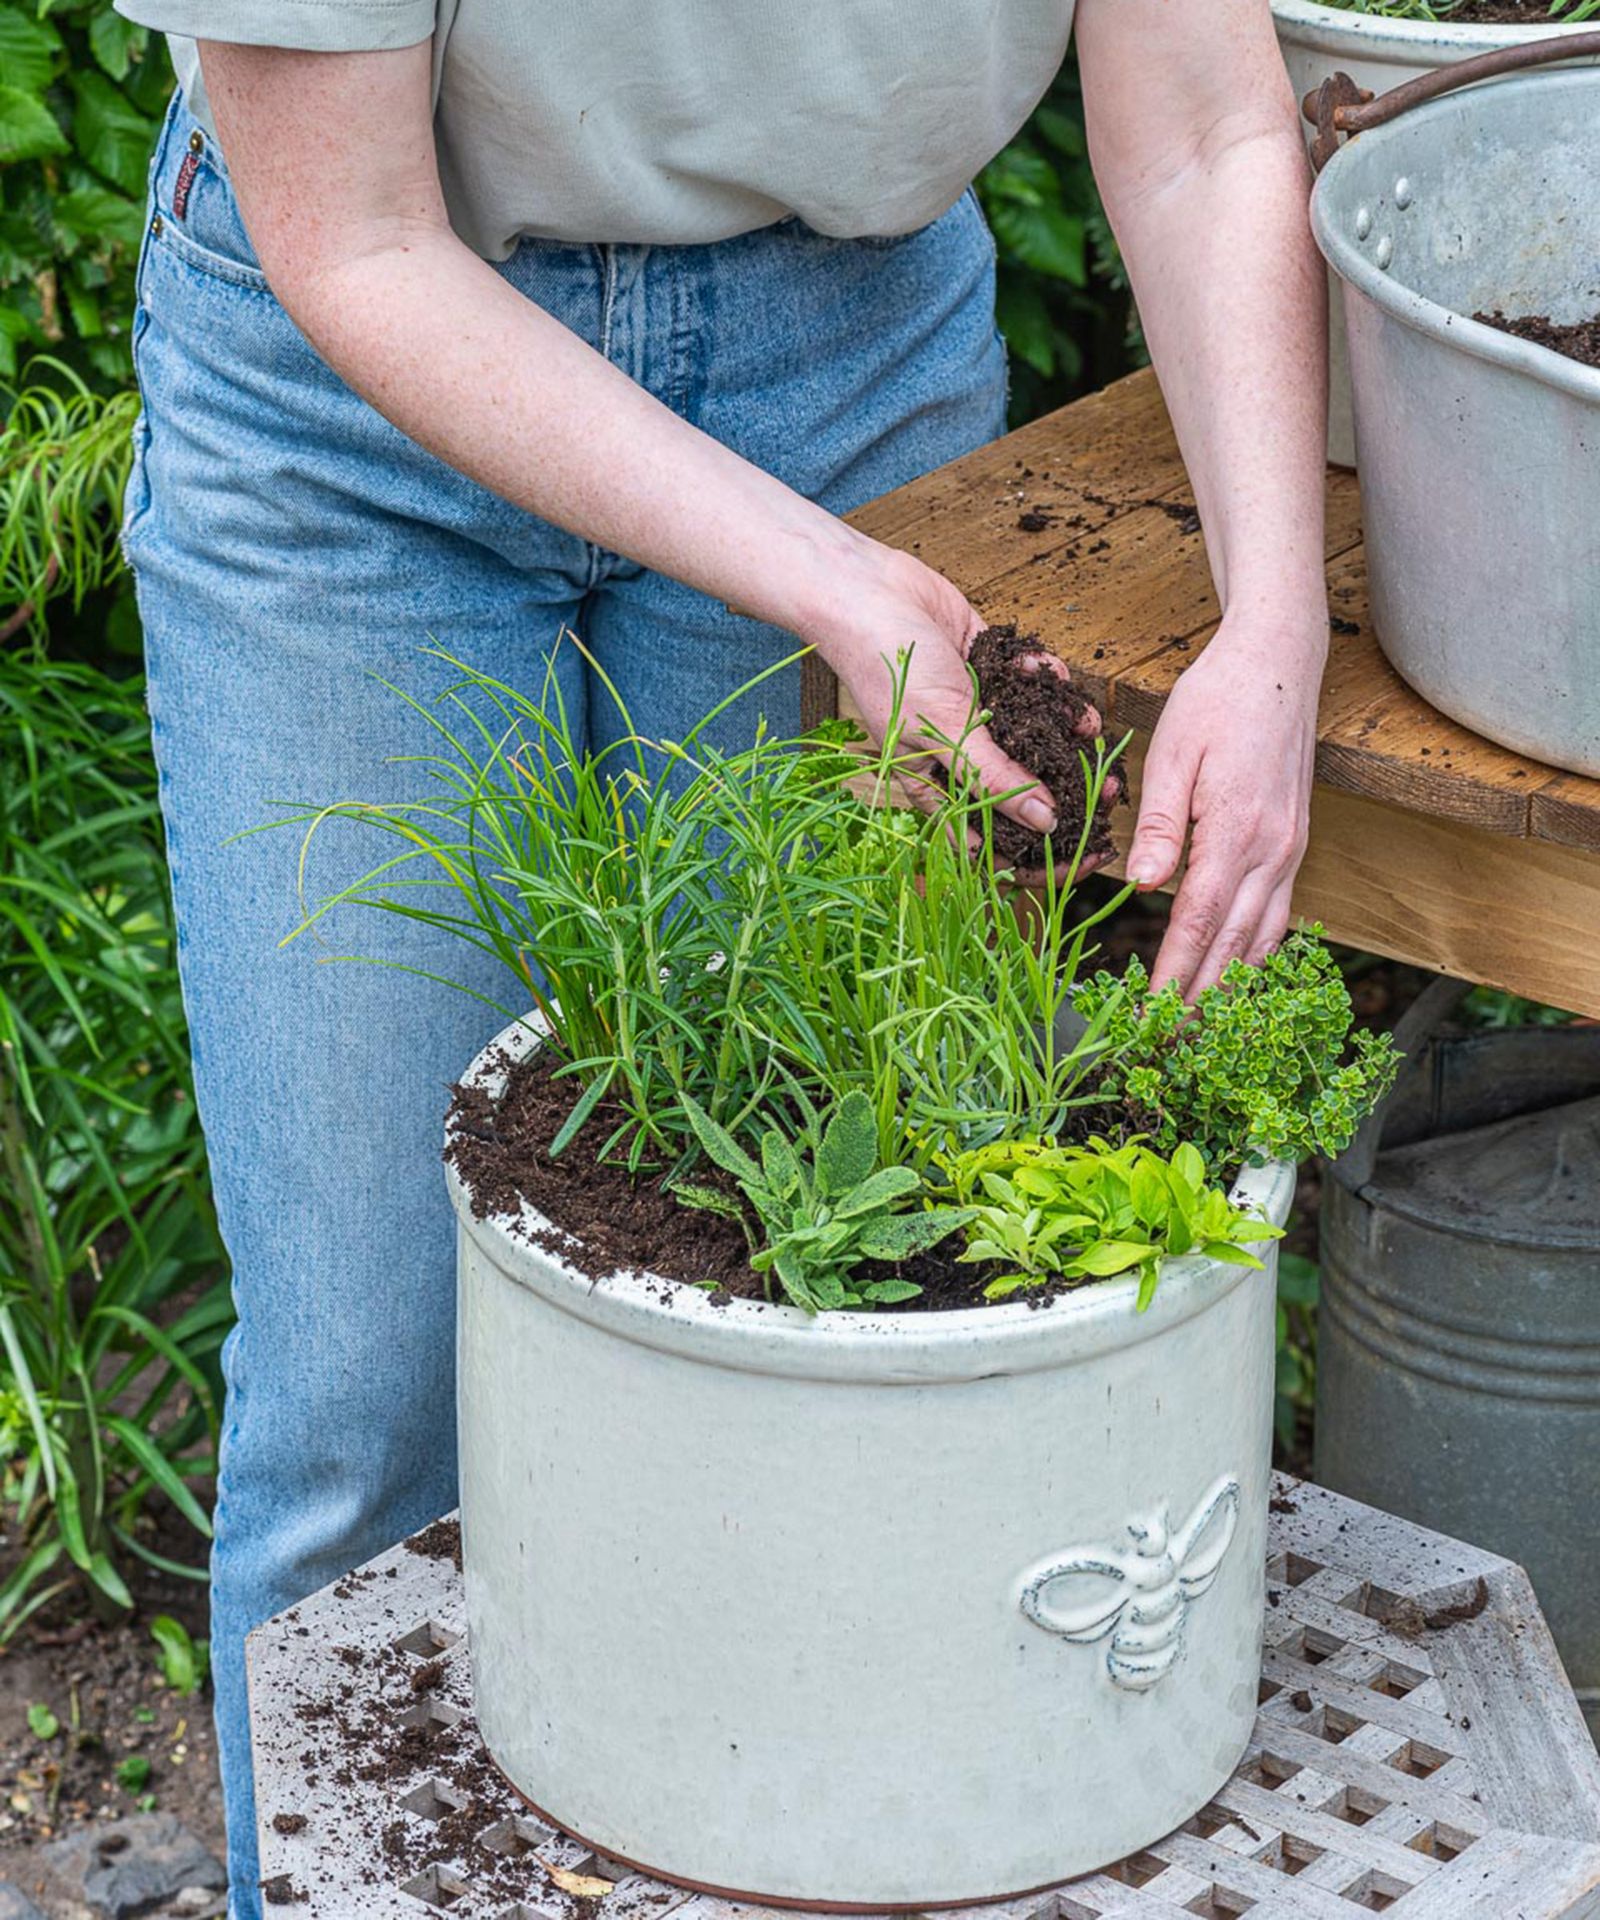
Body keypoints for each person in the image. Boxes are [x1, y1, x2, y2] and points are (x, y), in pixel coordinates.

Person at [110, 0, 1328, 1911]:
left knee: (815, 1311)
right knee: (372, 1395)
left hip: (846, 357)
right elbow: (354, 237)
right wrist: (828, 581)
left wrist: (1278, 624)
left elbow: (1199, 124)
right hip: (350, 421)